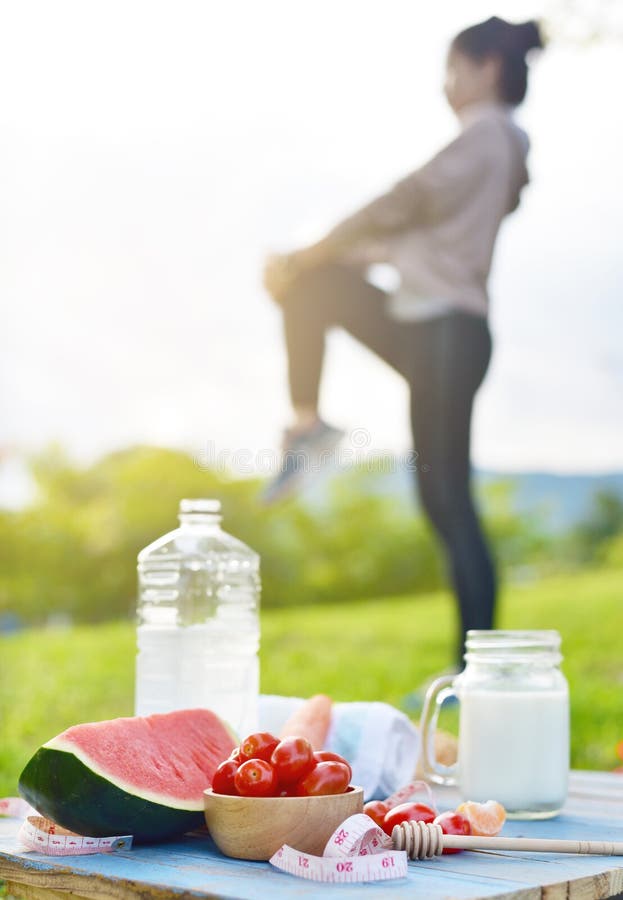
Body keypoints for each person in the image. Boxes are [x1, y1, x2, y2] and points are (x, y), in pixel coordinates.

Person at [263, 17, 544, 664]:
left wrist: (313, 249)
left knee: (446, 496)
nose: (445, 85)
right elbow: (412, 233)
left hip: (448, 331)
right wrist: (313, 263)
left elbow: (403, 199)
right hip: (425, 324)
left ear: (487, 69)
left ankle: (474, 665)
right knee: (312, 287)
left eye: (454, 69)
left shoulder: (489, 133)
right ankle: (308, 429)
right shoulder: (487, 150)